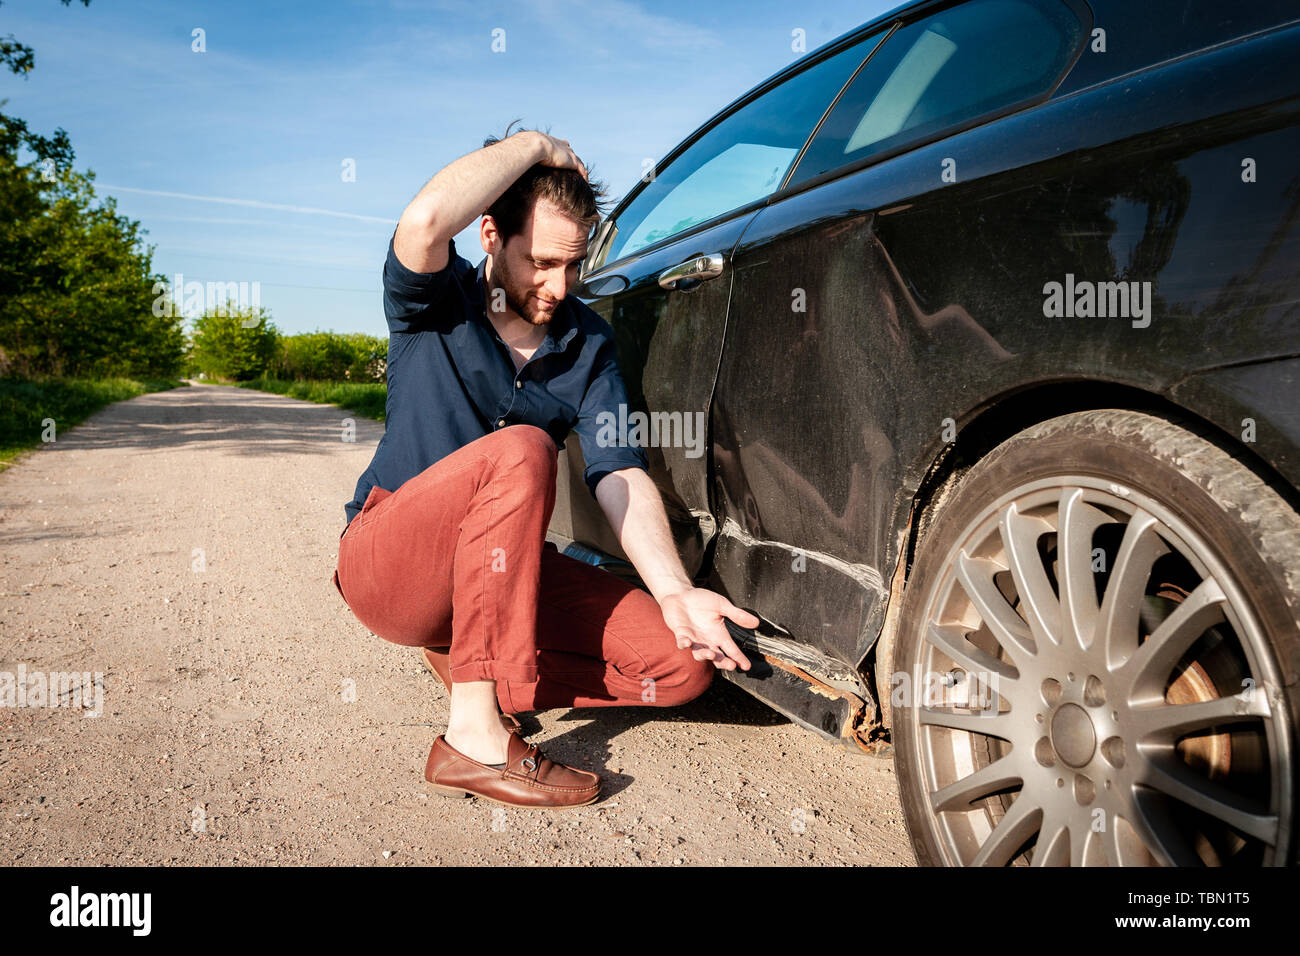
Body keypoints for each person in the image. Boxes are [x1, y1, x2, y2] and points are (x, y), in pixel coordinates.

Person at [332, 122, 760, 808]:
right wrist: (535, 144)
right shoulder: (436, 301)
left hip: (499, 574)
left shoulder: (589, 342)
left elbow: (619, 472)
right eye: (540, 262)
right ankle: (473, 736)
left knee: (678, 665)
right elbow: (423, 218)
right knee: (524, 448)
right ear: (491, 236)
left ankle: (471, 661)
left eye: (574, 264)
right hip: (390, 564)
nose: (558, 285)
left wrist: (675, 591)